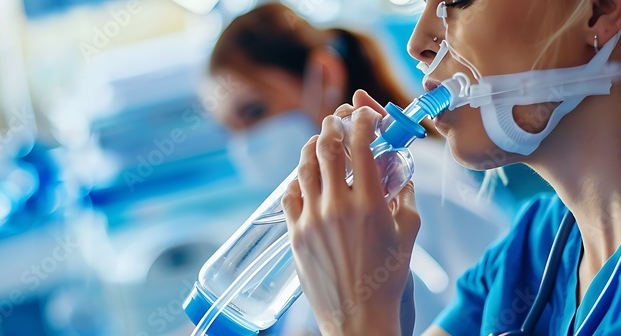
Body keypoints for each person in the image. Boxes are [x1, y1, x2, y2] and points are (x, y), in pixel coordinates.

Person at [282, 0, 621, 334]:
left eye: (458, 1)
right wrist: (376, 299)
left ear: (598, 11)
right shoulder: (530, 251)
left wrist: (358, 322)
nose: (419, 42)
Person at [204, 3, 514, 334]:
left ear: (323, 77)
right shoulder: (334, 205)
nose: (246, 143)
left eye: (254, 110)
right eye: (229, 128)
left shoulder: (406, 180)